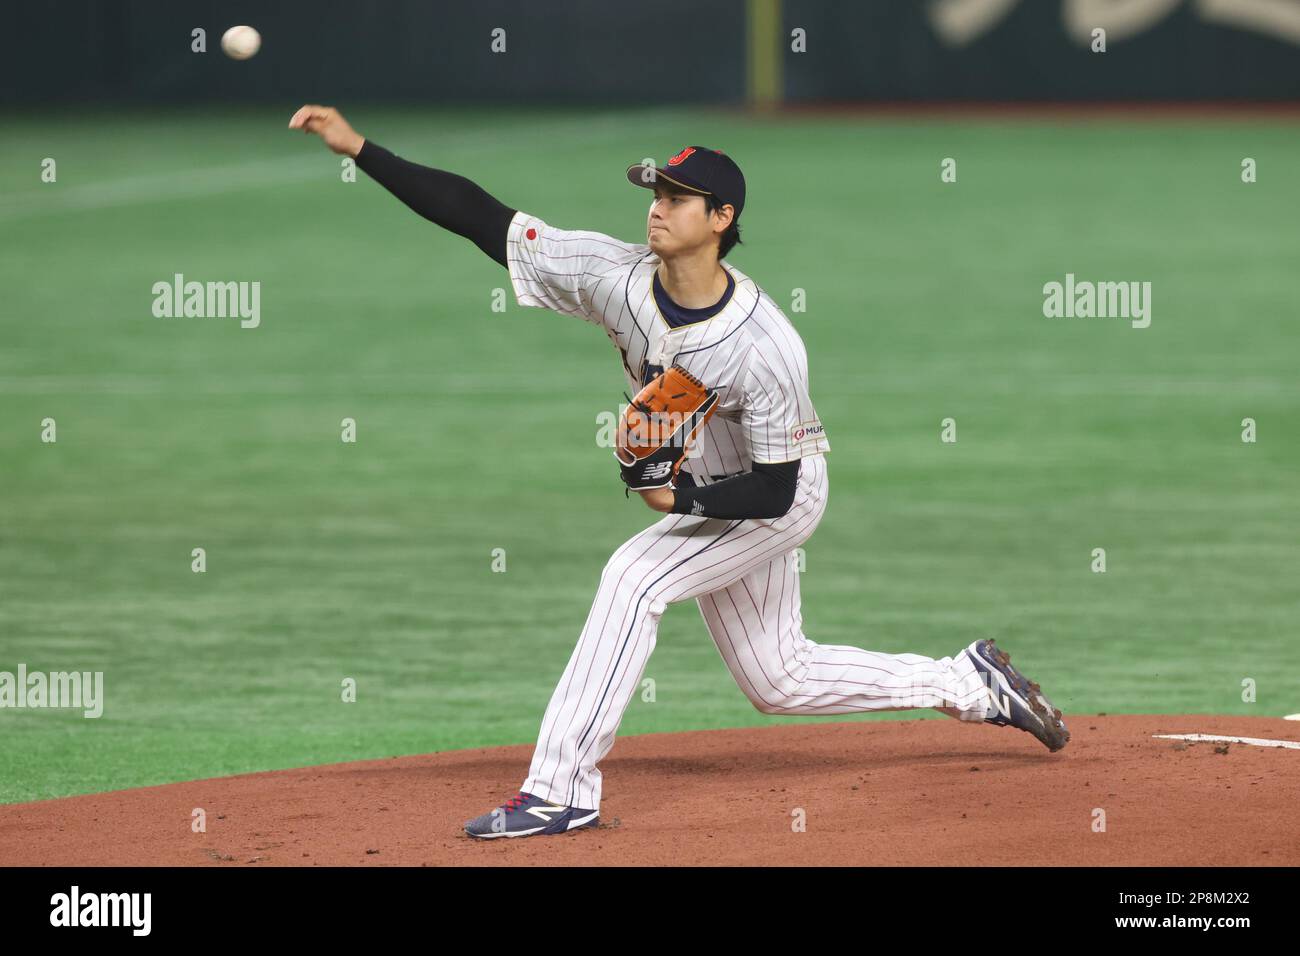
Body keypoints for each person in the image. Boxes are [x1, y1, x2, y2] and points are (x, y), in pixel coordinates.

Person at [288, 105, 1070, 840]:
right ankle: (969, 682)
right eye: (656, 192)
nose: (657, 207)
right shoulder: (612, 275)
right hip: (714, 486)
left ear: (721, 220)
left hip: (771, 494)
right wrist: (361, 149)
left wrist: (681, 496)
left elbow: (778, 490)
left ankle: (561, 789)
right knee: (779, 679)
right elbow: (480, 217)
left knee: (634, 578)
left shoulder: (765, 346)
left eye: (678, 197)